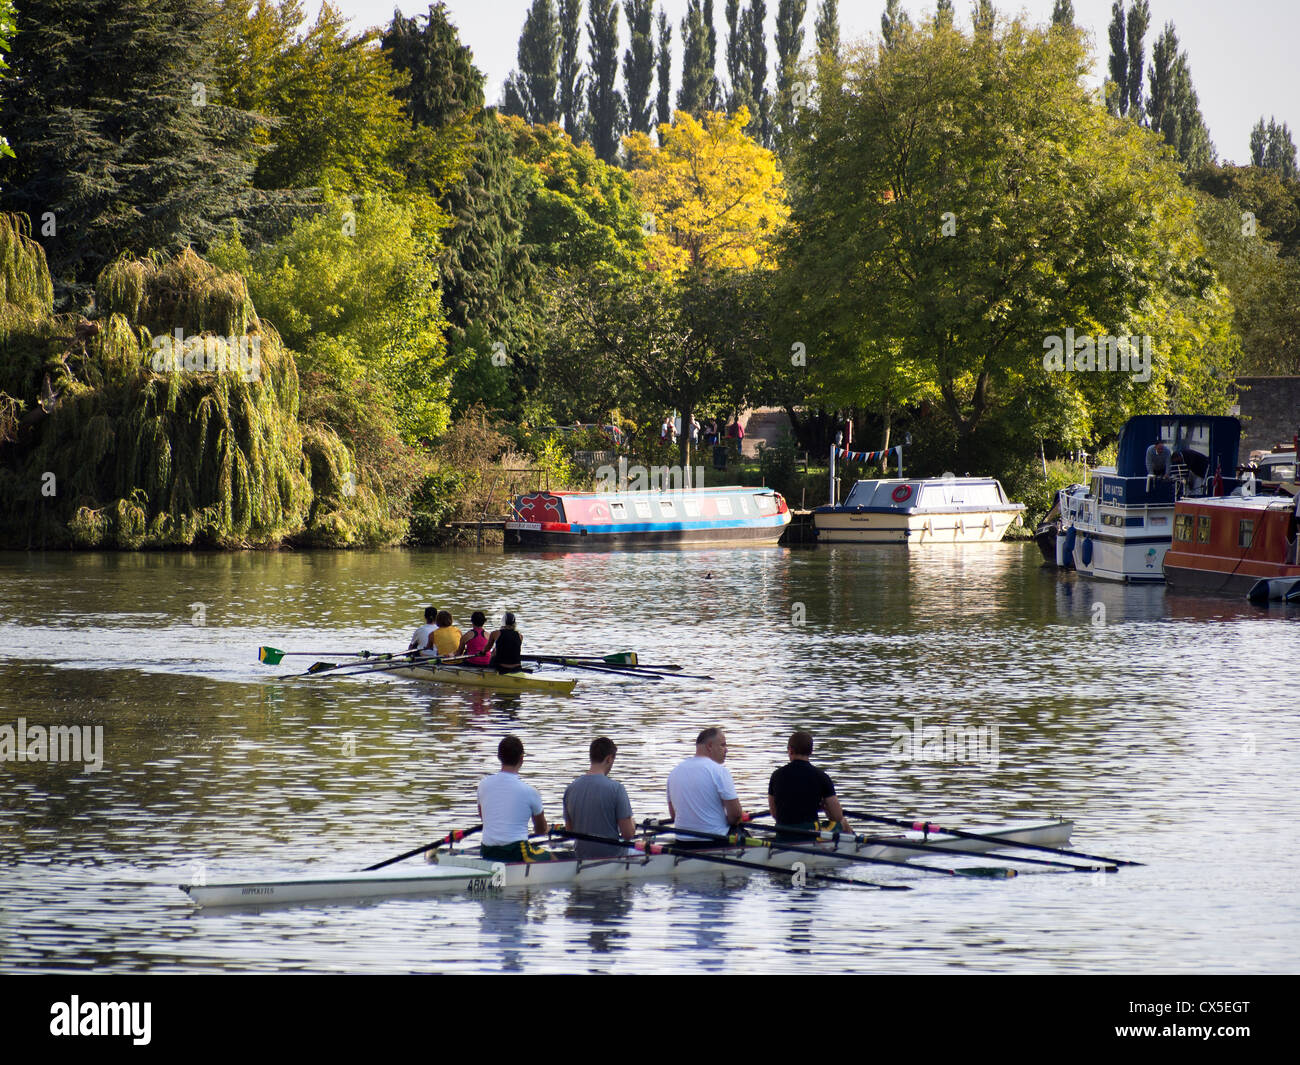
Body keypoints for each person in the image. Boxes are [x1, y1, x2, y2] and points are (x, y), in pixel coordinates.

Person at [477, 735, 558, 863]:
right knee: (553, 858)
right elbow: (540, 830)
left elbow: (484, 818)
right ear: (522, 759)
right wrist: (547, 829)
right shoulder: (530, 792)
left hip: (487, 850)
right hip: (515, 851)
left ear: (499, 757)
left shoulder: (483, 785)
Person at [766, 731, 851, 841]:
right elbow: (837, 817)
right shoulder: (822, 777)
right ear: (811, 751)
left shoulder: (776, 775)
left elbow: (774, 813)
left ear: (790, 750)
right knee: (842, 822)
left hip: (783, 834)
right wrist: (825, 808)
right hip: (811, 835)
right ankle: (856, 847)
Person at [666, 728, 744, 845]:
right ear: (709, 746)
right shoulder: (719, 771)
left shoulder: (674, 773)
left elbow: (674, 815)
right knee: (740, 830)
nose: (726, 750)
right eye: (722, 745)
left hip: (682, 841)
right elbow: (736, 815)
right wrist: (730, 819)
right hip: (714, 841)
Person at [563, 737, 635, 859]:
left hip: (581, 856)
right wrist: (632, 822)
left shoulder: (570, 789)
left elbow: (570, 831)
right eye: (613, 760)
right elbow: (628, 834)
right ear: (608, 759)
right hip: (613, 856)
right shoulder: (617, 788)